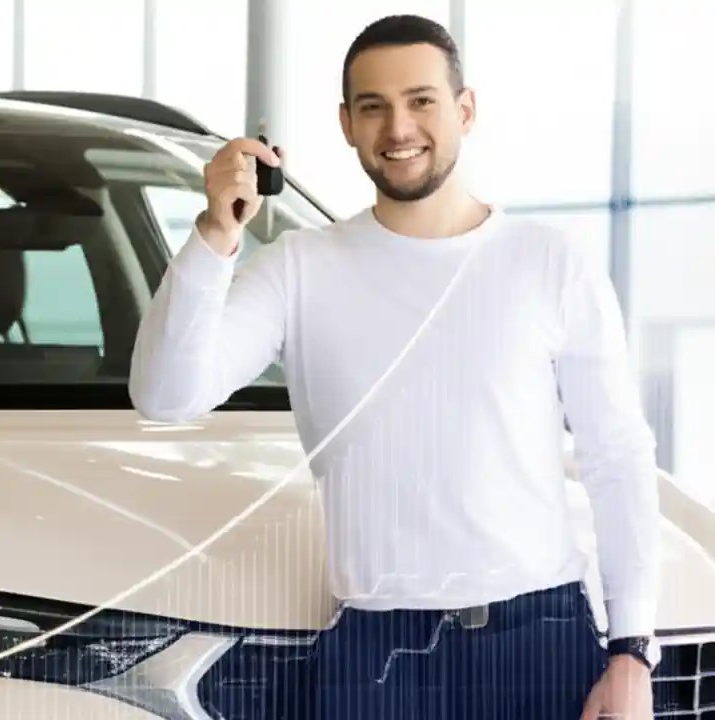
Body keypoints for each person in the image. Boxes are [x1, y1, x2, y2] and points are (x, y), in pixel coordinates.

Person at [129, 13, 661, 720]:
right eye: (374, 107)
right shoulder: (299, 268)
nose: (399, 128)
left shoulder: (549, 262)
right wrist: (217, 231)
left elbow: (616, 456)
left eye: (421, 101)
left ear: (465, 110)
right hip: (373, 656)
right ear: (346, 124)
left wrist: (632, 650)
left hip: (538, 641)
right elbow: (166, 395)